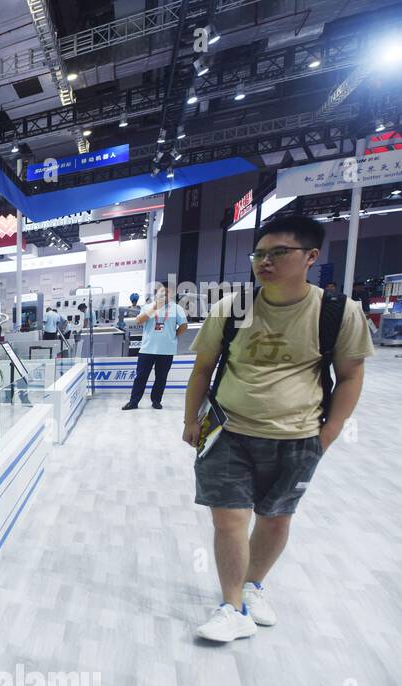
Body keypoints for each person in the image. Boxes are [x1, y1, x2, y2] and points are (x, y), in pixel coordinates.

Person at [183, 215, 374, 643]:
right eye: (259, 254)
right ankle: (231, 605)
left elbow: (350, 375)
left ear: (310, 257)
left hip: (298, 437)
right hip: (227, 432)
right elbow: (202, 368)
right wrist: (190, 419)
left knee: (275, 519)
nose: (264, 262)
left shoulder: (337, 313)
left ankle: (253, 586)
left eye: (278, 253)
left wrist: (330, 432)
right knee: (230, 519)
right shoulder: (231, 308)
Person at [123, 282, 188, 410]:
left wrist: (173, 336)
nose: (165, 295)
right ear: (157, 293)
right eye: (162, 292)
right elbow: (139, 321)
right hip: (147, 349)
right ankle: (134, 401)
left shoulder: (176, 308)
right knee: (140, 377)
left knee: (161, 378)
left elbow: (184, 325)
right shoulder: (147, 307)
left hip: (167, 350)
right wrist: (155, 307)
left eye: (168, 293)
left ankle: (156, 401)